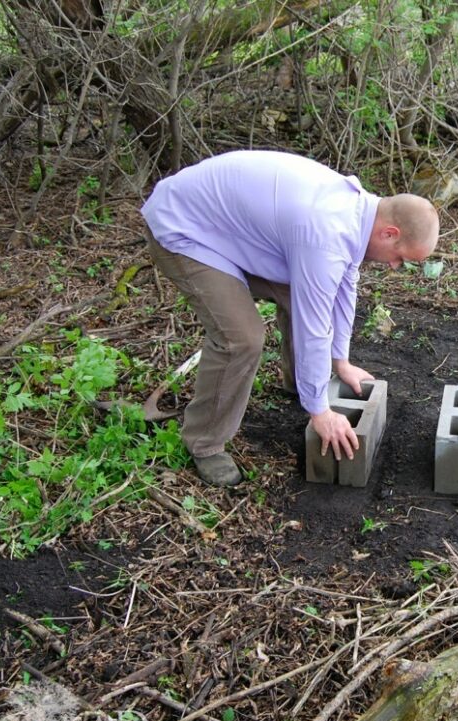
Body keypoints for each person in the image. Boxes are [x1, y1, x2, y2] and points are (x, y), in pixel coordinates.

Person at [141, 150, 440, 486]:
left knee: (299, 293)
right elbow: (314, 325)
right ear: (389, 233)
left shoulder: (355, 212)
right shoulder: (325, 234)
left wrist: (340, 361)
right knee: (242, 338)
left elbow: (344, 287)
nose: (395, 266)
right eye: (400, 258)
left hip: (229, 230)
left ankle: (299, 384)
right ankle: (205, 443)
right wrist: (321, 412)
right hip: (184, 229)